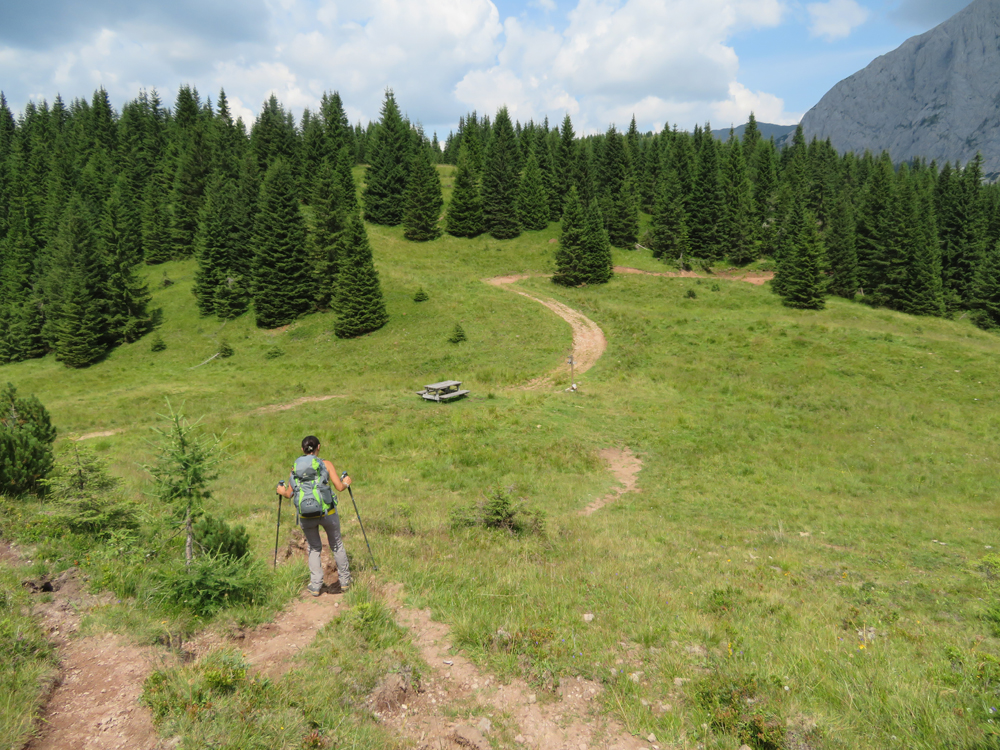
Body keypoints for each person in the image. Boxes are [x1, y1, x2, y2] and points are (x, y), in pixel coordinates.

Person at [276, 435, 352, 596]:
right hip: (328, 512)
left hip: (306, 515)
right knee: (336, 545)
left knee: (314, 547)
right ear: (319, 447)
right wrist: (346, 481)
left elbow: (289, 494)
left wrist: (281, 490)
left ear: (302, 449)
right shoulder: (326, 464)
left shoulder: (295, 468)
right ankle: (345, 582)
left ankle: (316, 585)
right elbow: (339, 487)